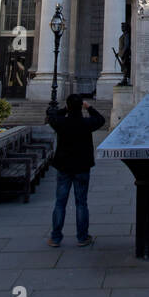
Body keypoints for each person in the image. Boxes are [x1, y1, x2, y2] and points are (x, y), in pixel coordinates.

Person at [45, 94, 105, 247]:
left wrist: (65, 109)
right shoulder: (86, 123)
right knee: (81, 203)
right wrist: (89, 107)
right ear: (81, 106)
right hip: (82, 166)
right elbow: (101, 120)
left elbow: (51, 116)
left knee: (60, 203)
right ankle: (82, 237)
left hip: (64, 166)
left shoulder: (61, 122)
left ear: (68, 107)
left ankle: (56, 237)